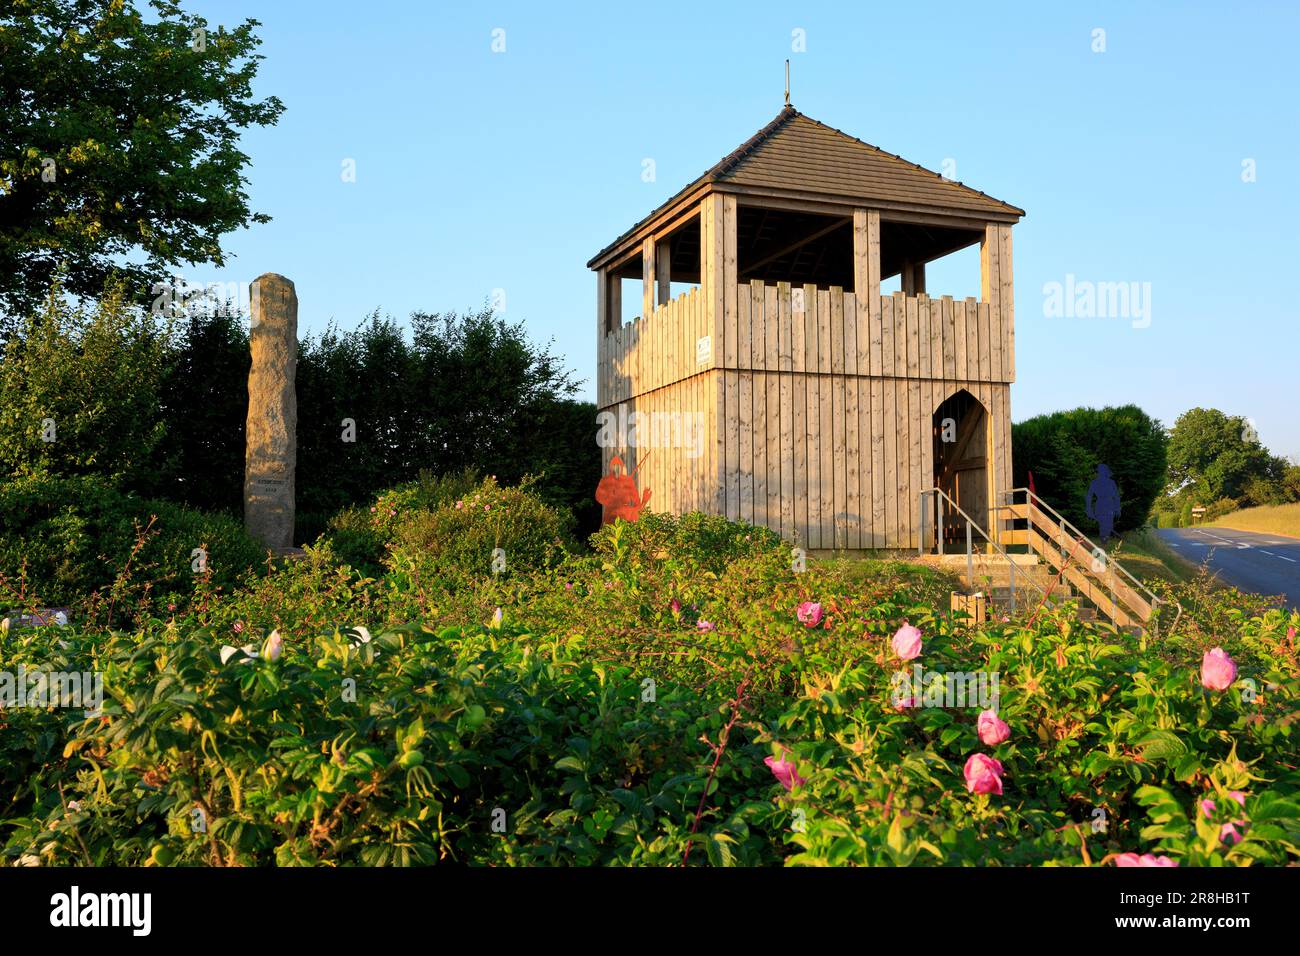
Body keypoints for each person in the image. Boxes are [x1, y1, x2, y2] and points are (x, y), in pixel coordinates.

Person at [1085, 463, 1121, 542]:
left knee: (1108, 523)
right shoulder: (1094, 482)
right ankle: (1103, 539)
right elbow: (1089, 496)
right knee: (1102, 524)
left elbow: (1116, 496)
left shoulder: (1111, 483)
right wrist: (1088, 509)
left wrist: (1118, 509)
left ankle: (1105, 539)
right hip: (1100, 505)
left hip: (1109, 505)